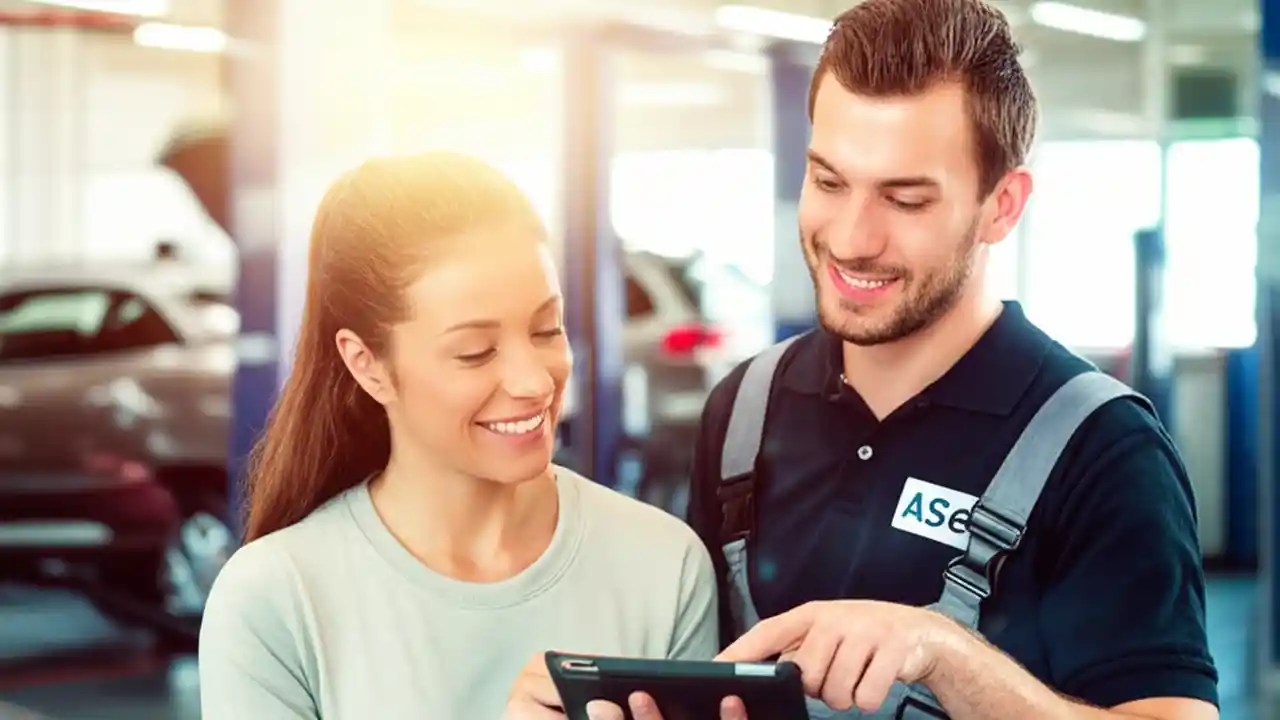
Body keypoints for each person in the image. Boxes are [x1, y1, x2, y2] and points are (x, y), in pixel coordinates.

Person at [585, 0, 1221, 719]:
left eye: (906, 199)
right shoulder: (743, 412)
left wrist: (947, 656)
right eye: (829, 182)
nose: (854, 238)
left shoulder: (1101, 450)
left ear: (1002, 207)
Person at [196, 152, 718, 720]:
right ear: (367, 363)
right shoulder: (275, 600)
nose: (534, 380)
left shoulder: (663, 566)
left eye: (547, 329)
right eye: (475, 352)